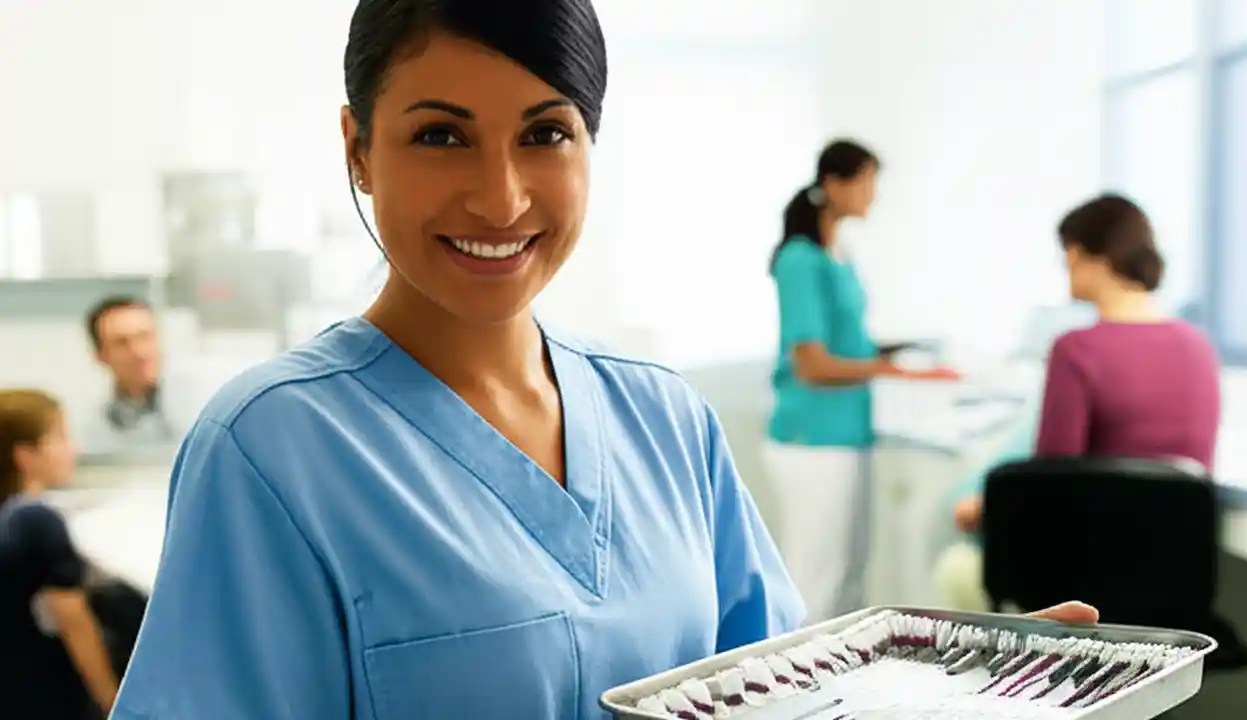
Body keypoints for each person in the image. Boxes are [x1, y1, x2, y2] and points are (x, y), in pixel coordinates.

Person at [111, 3, 1095, 718]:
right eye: (440, 135)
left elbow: (778, 702)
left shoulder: (661, 419)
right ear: (356, 148)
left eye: (545, 133)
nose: (499, 199)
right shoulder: (275, 447)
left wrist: (950, 698)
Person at [940, 194, 1221, 608]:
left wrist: (985, 509)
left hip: (1082, 581)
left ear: (1084, 255)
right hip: (1173, 580)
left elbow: (1049, 487)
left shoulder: (1077, 349)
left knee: (958, 567)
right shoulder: (1199, 347)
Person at [764, 140, 959, 622]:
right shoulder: (800, 259)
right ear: (834, 184)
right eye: (867, 181)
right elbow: (812, 364)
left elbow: (849, 343)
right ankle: (800, 691)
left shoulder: (840, 255)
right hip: (812, 439)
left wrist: (902, 355)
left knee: (850, 574)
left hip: (848, 434)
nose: (873, 193)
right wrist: (894, 370)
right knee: (817, 582)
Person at [0, 390, 119, 719]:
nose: (73, 449)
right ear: (25, 455)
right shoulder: (35, 521)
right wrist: (114, 703)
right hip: (41, 697)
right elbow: (74, 624)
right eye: (60, 437)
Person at [81, 297, 179, 453]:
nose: (139, 352)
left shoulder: (205, 406)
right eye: (121, 343)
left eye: (144, 337)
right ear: (100, 356)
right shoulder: (90, 428)